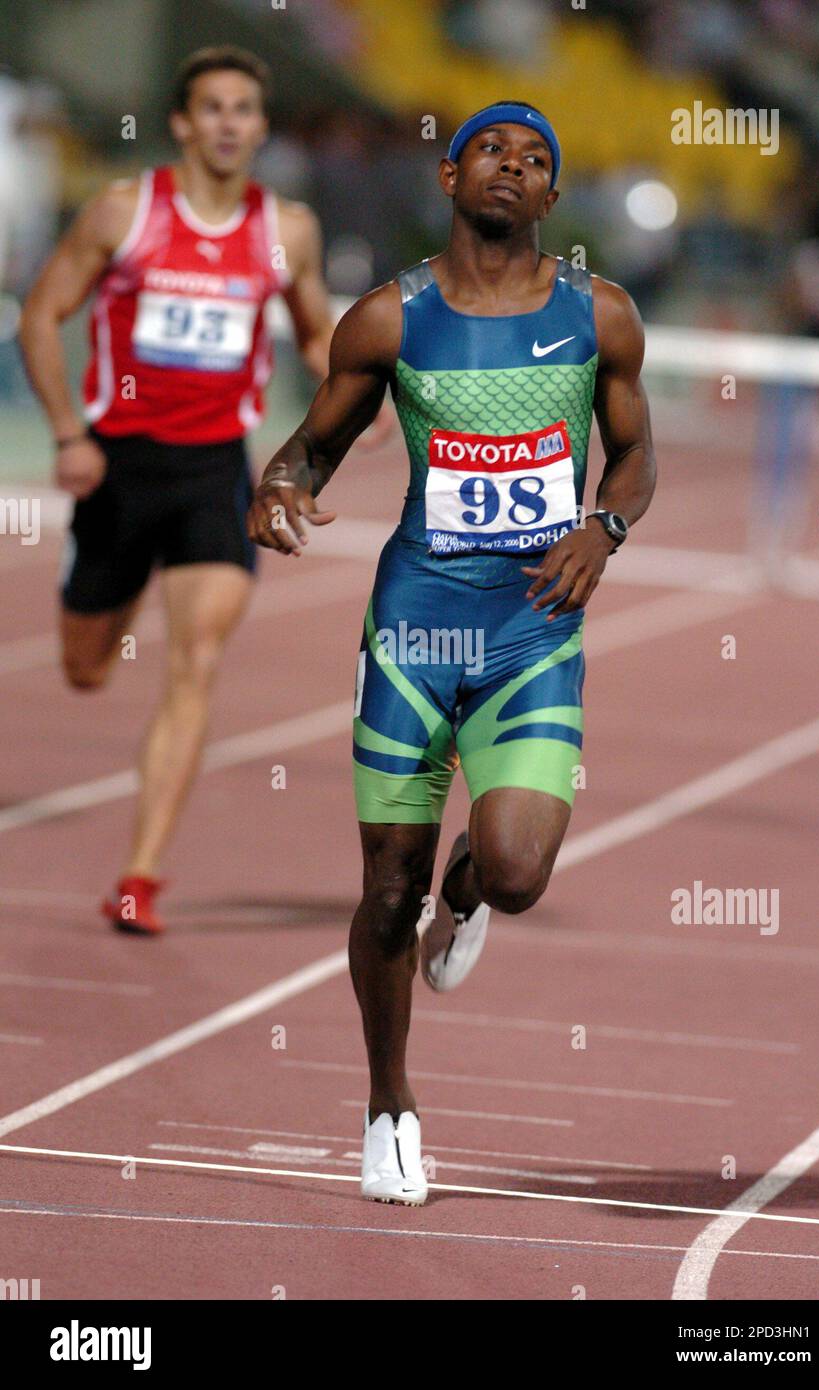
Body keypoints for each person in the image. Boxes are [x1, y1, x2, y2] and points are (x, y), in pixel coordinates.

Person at [247, 102, 656, 1203]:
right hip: (416, 628)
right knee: (386, 888)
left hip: (531, 628)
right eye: (492, 150)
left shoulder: (599, 316)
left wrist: (602, 529)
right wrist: (282, 482)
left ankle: (467, 897)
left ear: (553, 197)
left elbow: (633, 459)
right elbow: (316, 441)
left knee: (518, 871)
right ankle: (389, 1107)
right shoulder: (389, 319)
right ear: (448, 172)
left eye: (535, 159)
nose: (512, 167)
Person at [20, 47, 336, 934]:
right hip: (117, 468)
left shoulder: (289, 231)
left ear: (262, 128)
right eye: (213, 107)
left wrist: (362, 397)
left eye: (245, 108)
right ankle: (98, 591)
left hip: (213, 473)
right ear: (182, 123)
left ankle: (140, 875)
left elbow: (318, 337)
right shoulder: (126, 212)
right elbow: (40, 315)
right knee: (87, 670)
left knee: (195, 661)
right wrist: (69, 433)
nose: (230, 123)